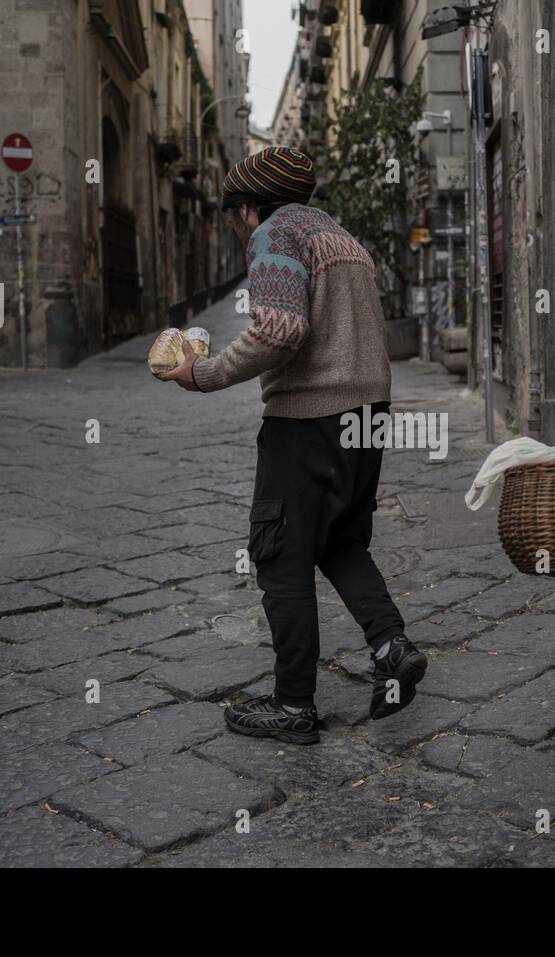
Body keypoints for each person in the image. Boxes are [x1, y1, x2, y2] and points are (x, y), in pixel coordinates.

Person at [157, 146, 427, 745]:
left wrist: (202, 374)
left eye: (237, 215)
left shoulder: (276, 231)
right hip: (368, 410)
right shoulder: (343, 239)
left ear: (252, 207)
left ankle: (293, 704)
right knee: (338, 541)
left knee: (279, 556)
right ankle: (392, 648)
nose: (238, 227)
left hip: (308, 417)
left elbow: (280, 329)